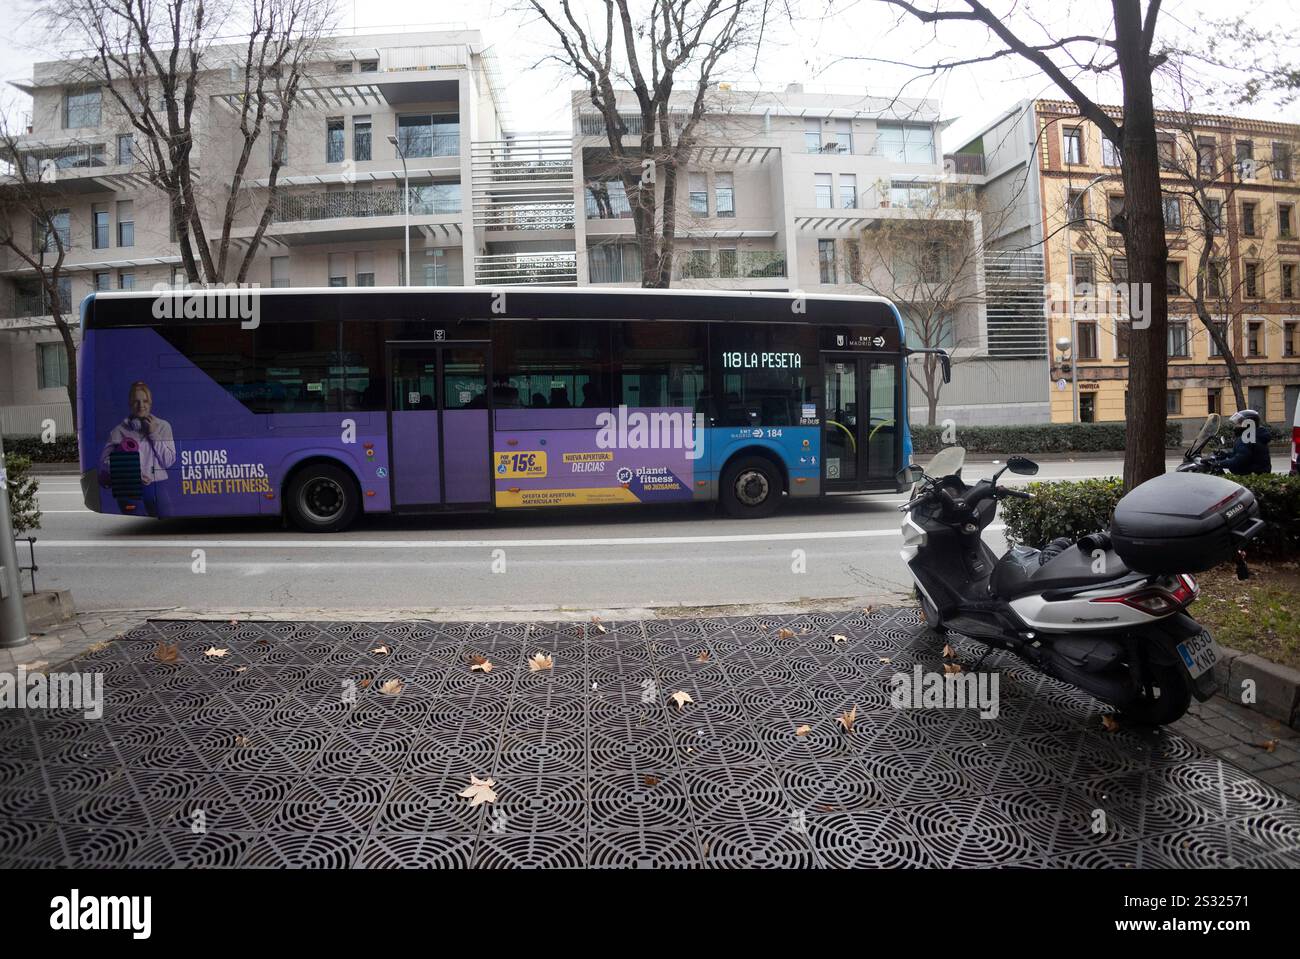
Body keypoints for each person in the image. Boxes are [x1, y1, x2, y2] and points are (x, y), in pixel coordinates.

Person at [99, 381, 177, 516]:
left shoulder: (163, 427)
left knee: (166, 518)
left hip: (158, 486)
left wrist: (153, 434)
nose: (141, 405)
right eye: (136, 401)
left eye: (145, 401)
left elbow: (169, 462)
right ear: (130, 404)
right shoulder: (119, 431)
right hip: (130, 488)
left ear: (150, 403)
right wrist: (133, 473)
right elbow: (105, 463)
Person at [1214, 409, 1272, 476]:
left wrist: (1218, 464)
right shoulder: (1256, 435)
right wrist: (1227, 454)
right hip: (1260, 474)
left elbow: (1239, 460)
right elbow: (1247, 455)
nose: (1236, 426)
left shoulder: (1247, 439)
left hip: (1250, 476)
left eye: (1239, 423)